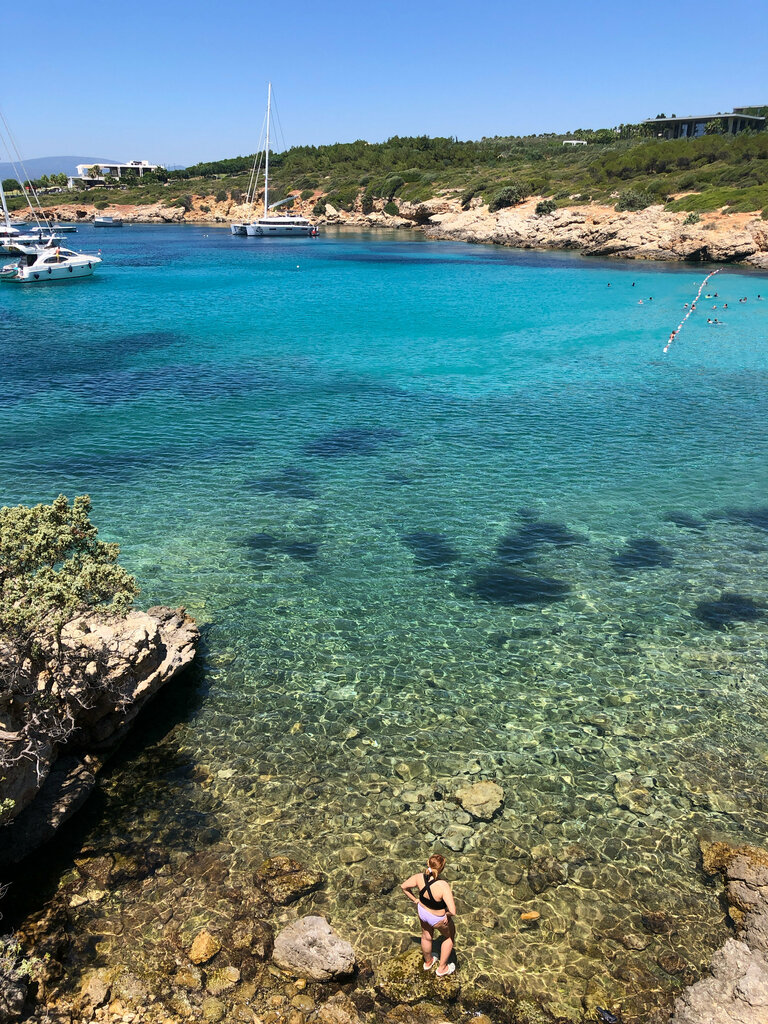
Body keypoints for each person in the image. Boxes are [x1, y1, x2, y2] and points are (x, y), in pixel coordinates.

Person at [401, 855, 457, 977]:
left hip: (423, 912)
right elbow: (453, 911)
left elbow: (403, 887)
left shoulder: (419, 877)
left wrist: (415, 899)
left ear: (428, 863)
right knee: (449, 938)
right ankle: (442, 968)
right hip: (438, 918)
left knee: (426, 936)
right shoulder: (443, 885)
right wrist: (447, 915)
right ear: (442, 868)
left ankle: (428, 962)